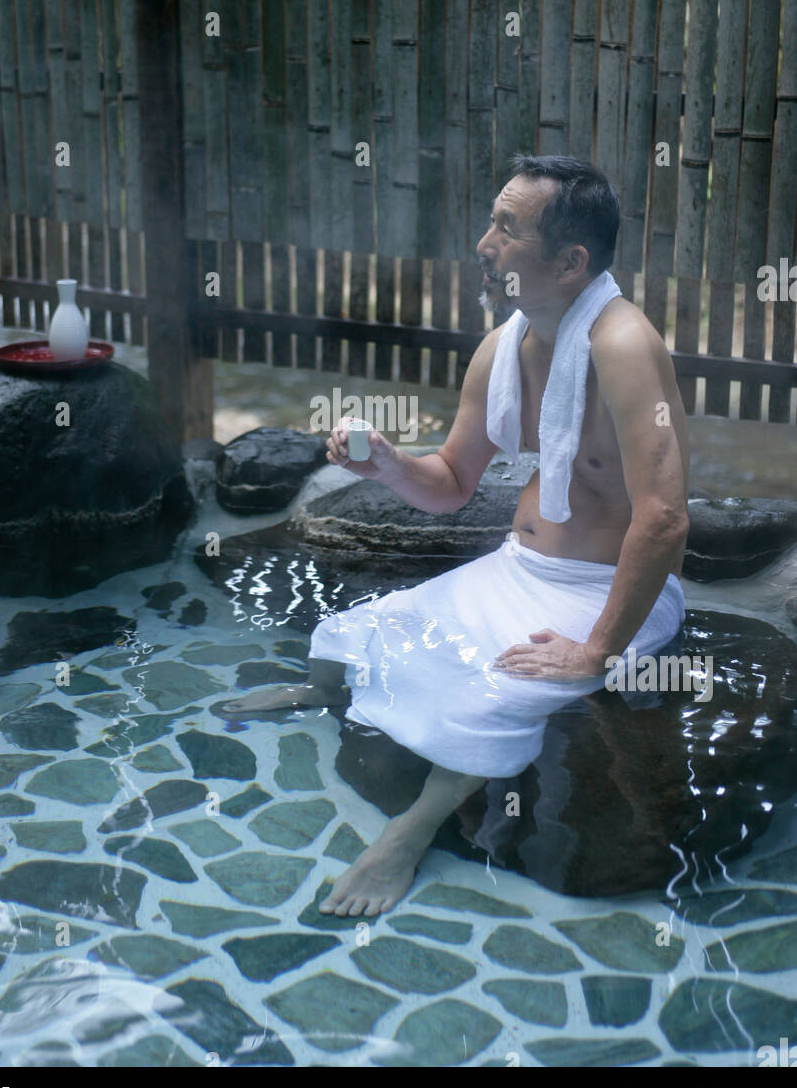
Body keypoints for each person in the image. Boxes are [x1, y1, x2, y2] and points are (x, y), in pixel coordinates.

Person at [220, 154, 690, 917]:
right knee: (353, 633)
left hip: (604, 592)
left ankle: (410, 832)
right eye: (491, 222)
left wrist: (597, 650)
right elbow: (449, 484)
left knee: (491, 700)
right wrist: (386, 464)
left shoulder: (624, 346)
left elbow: (665, 517)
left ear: (570, 262)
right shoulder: (505, 346)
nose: (483, 244)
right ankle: (323, 692)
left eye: (507, 228)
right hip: (518, 569)